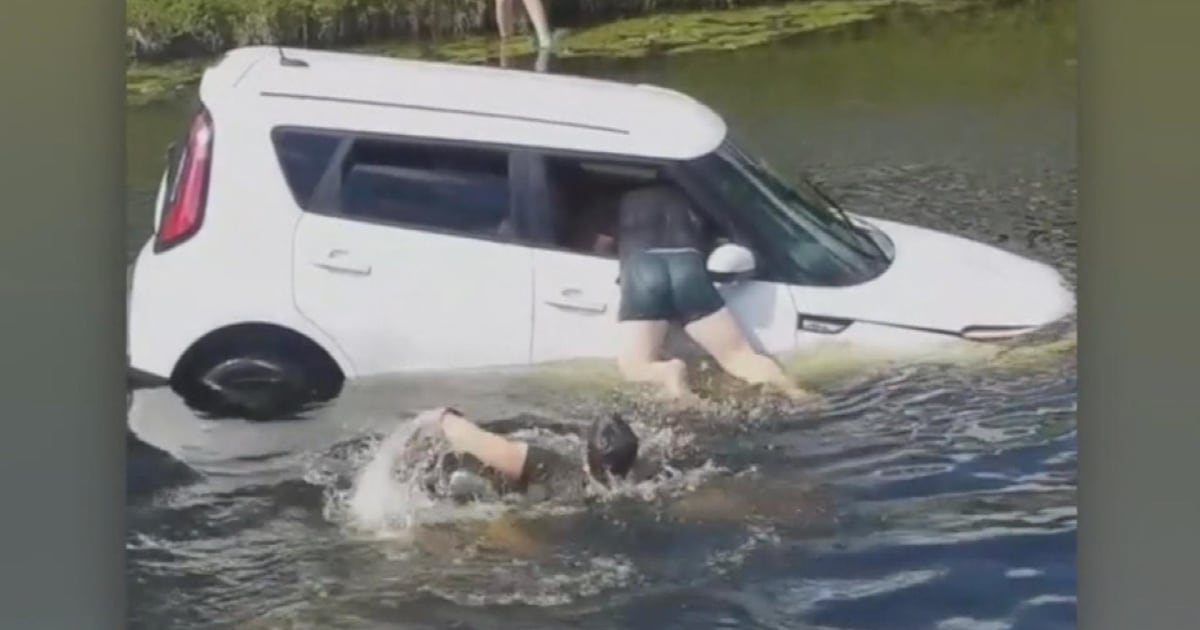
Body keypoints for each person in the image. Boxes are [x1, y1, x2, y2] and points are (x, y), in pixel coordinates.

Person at [614, 184, 812, 401]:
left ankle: (667, 373)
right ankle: (797, 394)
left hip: (642, 268)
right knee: (739, 356)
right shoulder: (698, 195)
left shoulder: (624, 199)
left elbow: (601, 242)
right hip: (688, 267)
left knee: (635, 366)